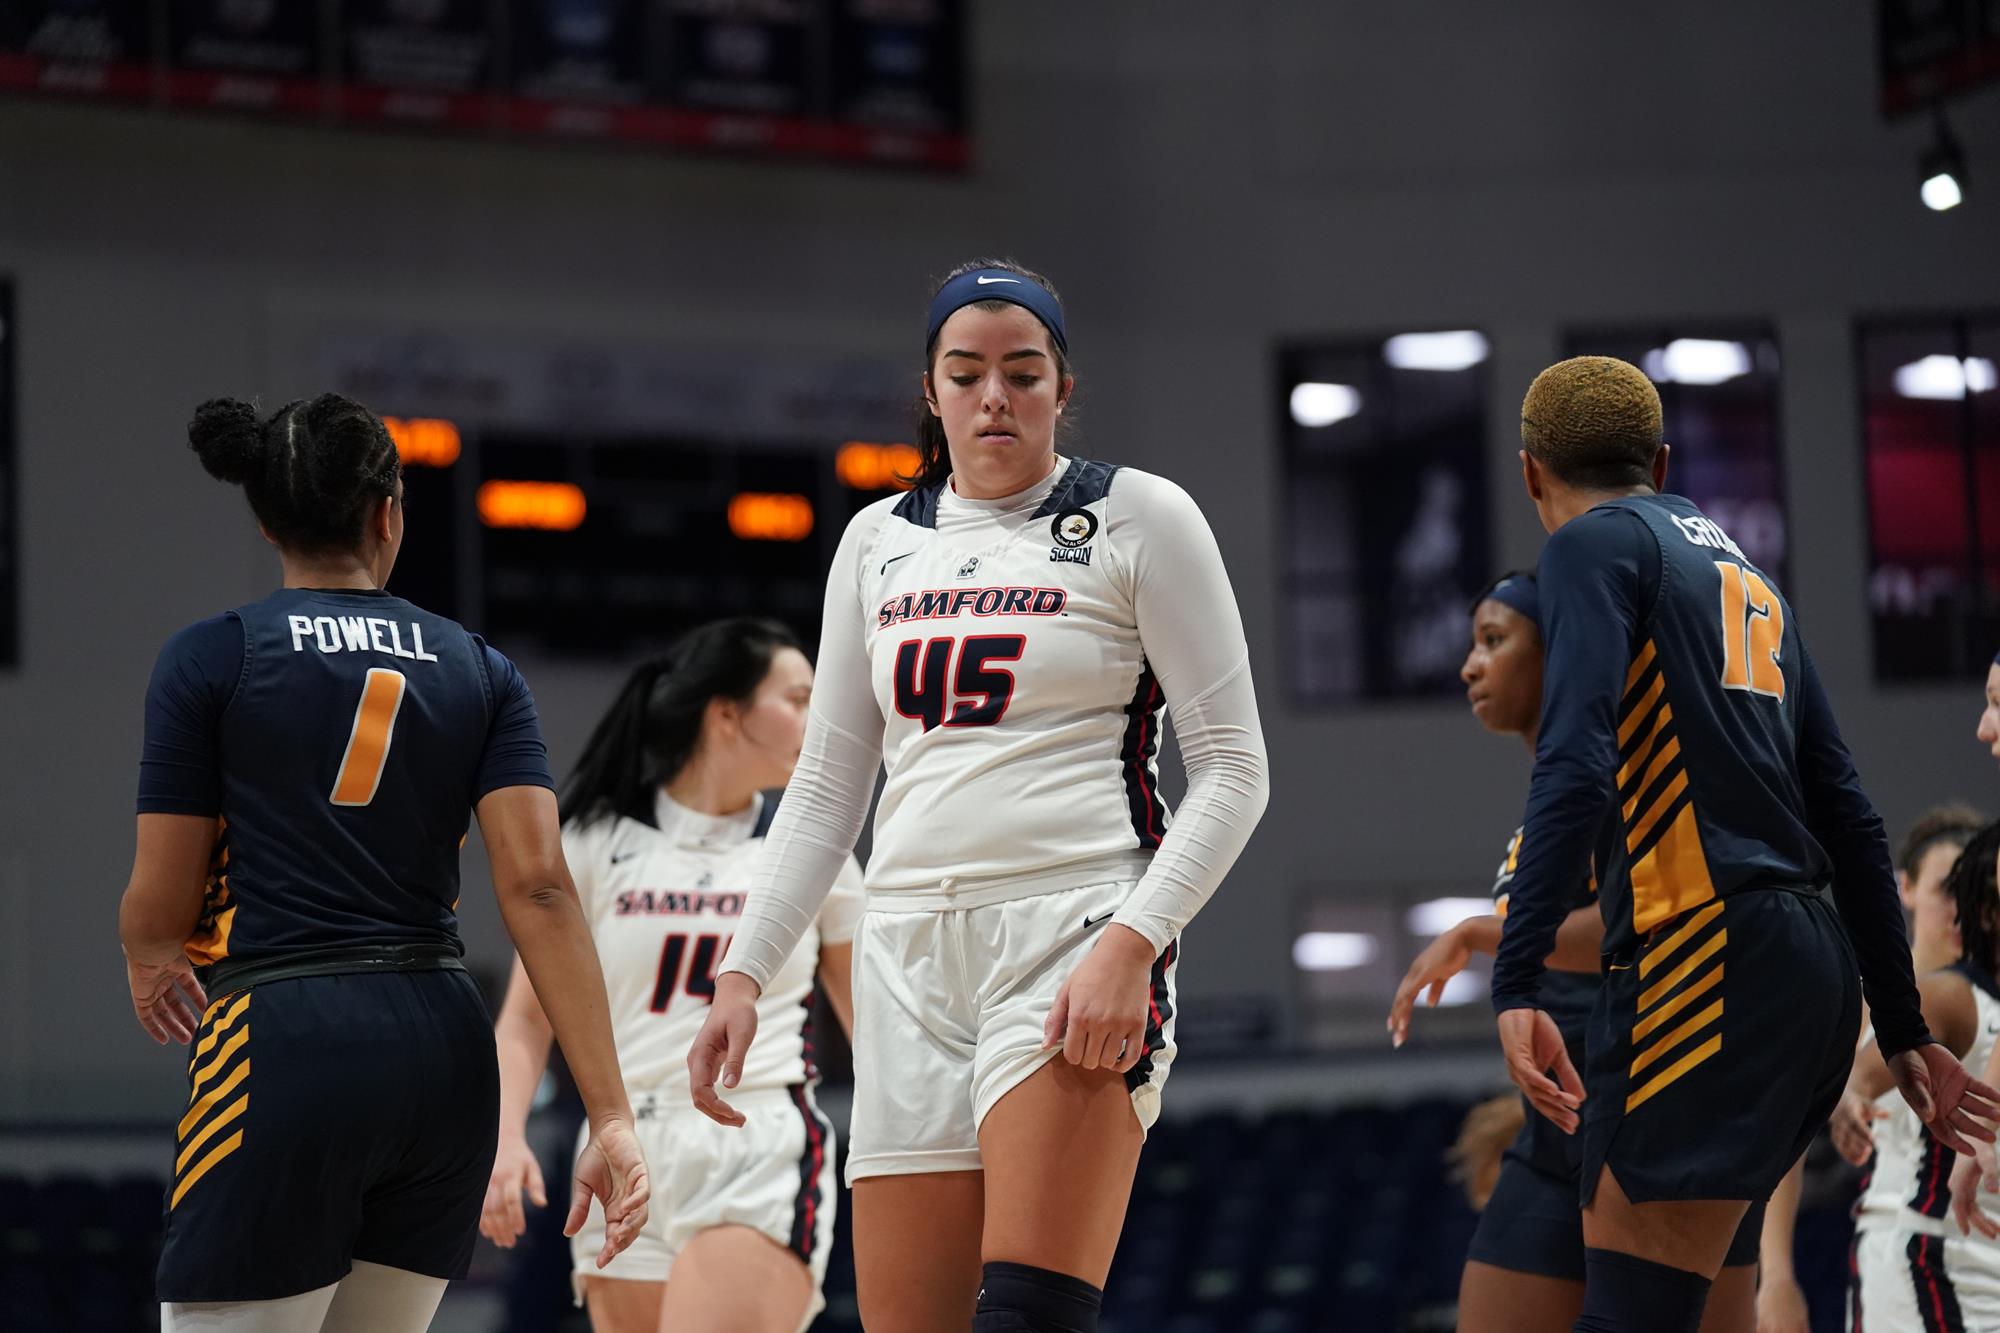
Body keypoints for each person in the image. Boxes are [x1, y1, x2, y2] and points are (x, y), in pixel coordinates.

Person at [686, 258, 1270, 1333]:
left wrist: (1133, 942)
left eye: (1021, 372)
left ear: (1061, 387)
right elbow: (826, 786)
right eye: (966, 374)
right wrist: (744, 969)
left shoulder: (1140, 515)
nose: (993, 396)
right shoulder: (876, 541)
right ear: (932, 390)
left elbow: (1234, 767)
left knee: (1025, 1319)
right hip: (904, 954)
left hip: (1069, 932)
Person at [1488, 356, 1996, 1333]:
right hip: (1812, 969)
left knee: (1628, 1316)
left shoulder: (1589, 545)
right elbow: (1848, 813)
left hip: (1701, 954)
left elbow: (1576, 759)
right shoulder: (1745, 574)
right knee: (1688, 1310)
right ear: (1660, 462)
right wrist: (1898, 1023)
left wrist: (1515, 976)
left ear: (1530, 473)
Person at [120, 394, 648, 1333]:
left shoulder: (210, 657)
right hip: (442, 1048)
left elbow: (159, 899)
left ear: (267, 521)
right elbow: (539, 888)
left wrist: (149, 952)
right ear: (387, 513)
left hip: (286, 1033)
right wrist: (609, 1115)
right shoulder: (482, 668)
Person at [1389, 573, 1763, 1332]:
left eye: (1494, 641)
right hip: (1556, 1138)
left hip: (1660, 1130)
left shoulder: (1633, 777)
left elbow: (1648, 925)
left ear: (1558, 653)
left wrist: (1479, 933)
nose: (1469, 666)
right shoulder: (1554, 793)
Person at [480, 619, 864, 1333]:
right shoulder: (596, 840)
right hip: (621, 1144)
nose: (818, 719)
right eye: (798, 699)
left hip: (756, 1137)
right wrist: (504, 1139)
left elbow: (870, 1024)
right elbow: (528, 1021)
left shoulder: (813, 853)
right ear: (726, 715)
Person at [1752, 805, 1983, 1333]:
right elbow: (1784, 1144)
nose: (1961, 909)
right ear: (1906, 888)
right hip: (1851, 1245)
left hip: (1973, 1255)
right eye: (1947, 889)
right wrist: (1778, 1276)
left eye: (1975, 892)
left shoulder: (1987, 1007)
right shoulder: (1849, 1005)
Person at [1831, 819, 2000, 1331]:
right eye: (1945, 890)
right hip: (1928, 1253)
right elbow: (1863, 1071)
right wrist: (1852, 1094)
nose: (1955, 908)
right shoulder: (1950, 995)